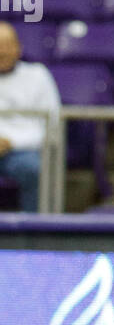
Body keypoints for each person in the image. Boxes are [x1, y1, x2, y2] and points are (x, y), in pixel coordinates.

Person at [0, 23, 60, 212]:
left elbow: (52, 123)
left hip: (23, 151)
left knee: (34, 169)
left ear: (19, 48)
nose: (2, 51)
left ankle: (34, 233)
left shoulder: (37, 76)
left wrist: (11, 142)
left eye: (7, 45)